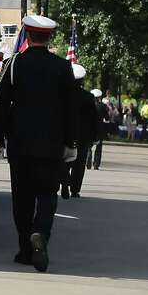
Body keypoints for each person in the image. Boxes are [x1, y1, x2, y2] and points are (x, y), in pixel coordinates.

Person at [0, 14, 77, 273]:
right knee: (48, 194)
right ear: (49, 37)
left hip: (20, 143)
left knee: (22, 198)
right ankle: (40, 233)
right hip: (51, 144)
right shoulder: (63, 67)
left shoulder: (14, 64)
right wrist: (70, 143)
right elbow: (70, 109)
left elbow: (1, 104)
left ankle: (25, 249)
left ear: (27, 35)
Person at [62, 64, 96, 198]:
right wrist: (94, 136)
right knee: (79, 163)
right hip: (83, 136)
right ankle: (75, 189)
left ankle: (64, 184)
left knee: (64, 161)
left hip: (65, 132)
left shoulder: (62, 95)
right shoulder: (88, 97)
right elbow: (93, 118)